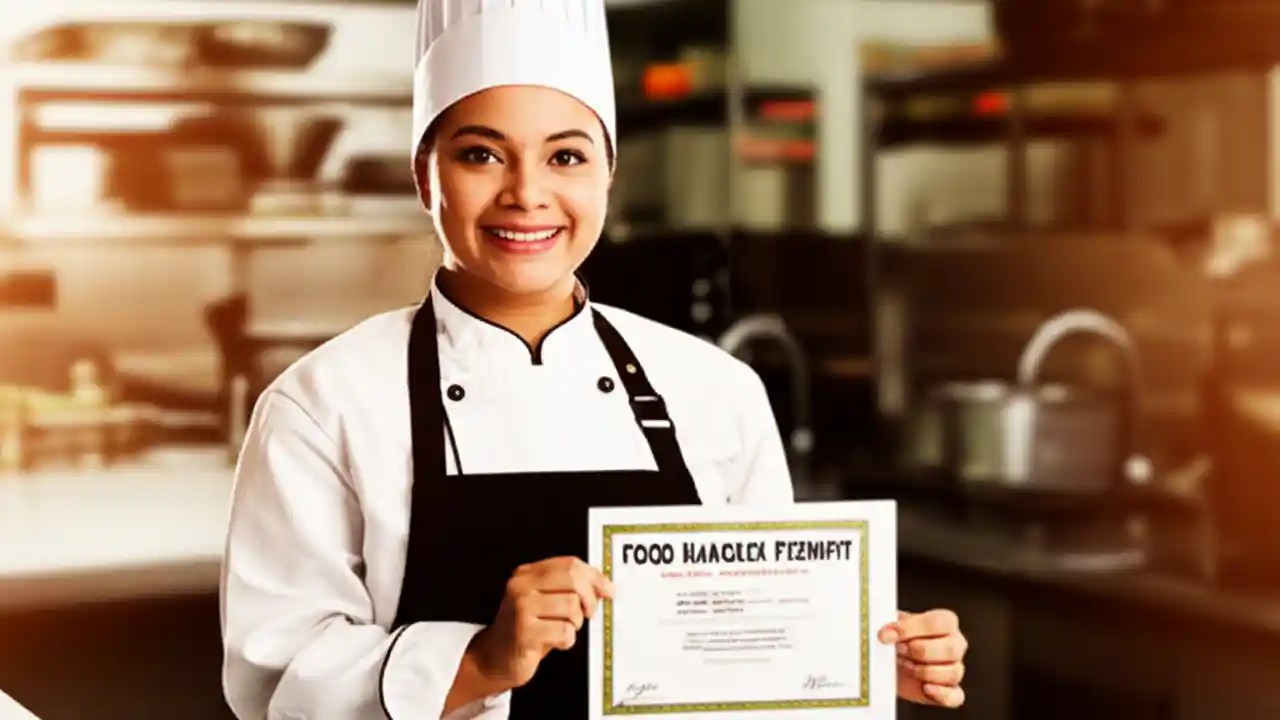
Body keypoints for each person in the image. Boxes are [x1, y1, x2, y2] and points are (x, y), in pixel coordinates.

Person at [219, 0, 968, 717]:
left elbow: (747, 658)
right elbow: (278, 681)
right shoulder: (323, 405)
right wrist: (480, 660)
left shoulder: (716, 391)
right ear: (426, 177)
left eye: (566, 156)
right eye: (481, 154)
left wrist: (862, 661)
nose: (527, 194)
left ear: (608, 175)